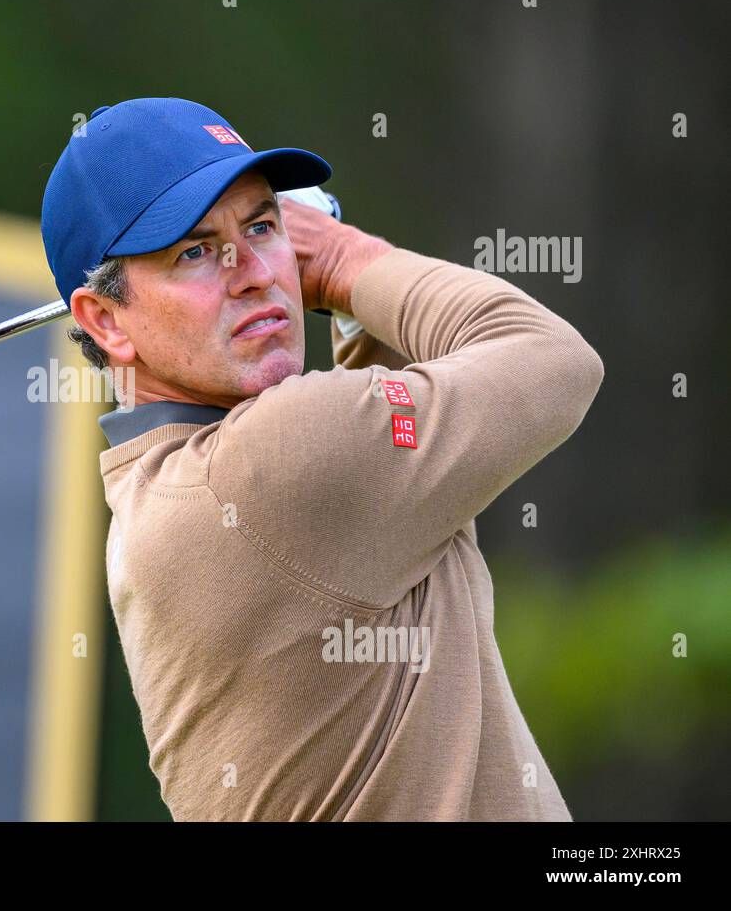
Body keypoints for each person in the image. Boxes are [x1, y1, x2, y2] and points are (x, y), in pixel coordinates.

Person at [40, 97, 604, 820]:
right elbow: (555, 361)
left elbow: (389, 420)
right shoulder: (273, 462)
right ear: (106, 321)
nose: (253, 272)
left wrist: (339, 290)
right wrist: (341, 257)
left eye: (262, 225)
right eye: (193, 250)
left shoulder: (172, 492)